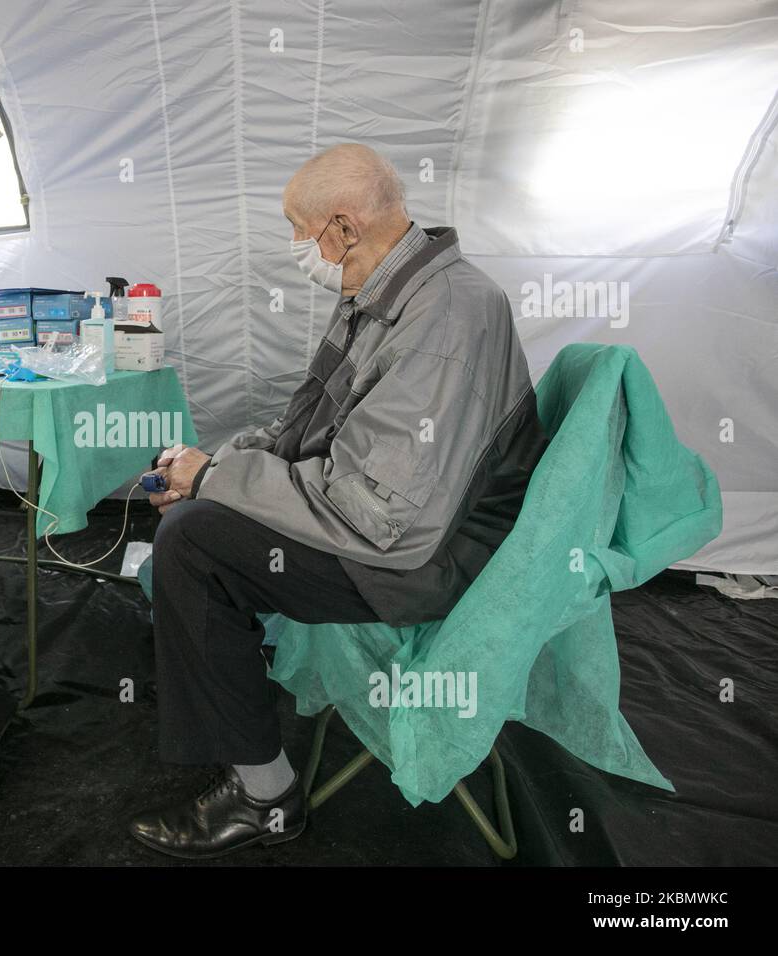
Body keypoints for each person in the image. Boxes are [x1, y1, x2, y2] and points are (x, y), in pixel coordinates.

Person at [129, 144, 549, 859]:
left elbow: (383, 518)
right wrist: (216, 466)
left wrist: (213, 485)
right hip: (409, 527)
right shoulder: (390, 294)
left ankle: (266, 799)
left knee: (194, 546)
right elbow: (310, 428)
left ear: (343, 229)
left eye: (300, 228)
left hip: (428, 560)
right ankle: (237, 698)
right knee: (205, 515)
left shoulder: (444, 320)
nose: (296, 247)